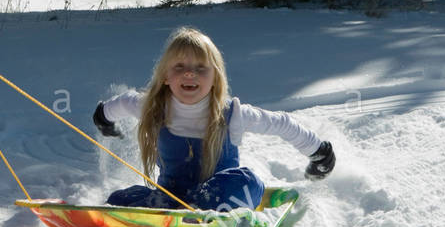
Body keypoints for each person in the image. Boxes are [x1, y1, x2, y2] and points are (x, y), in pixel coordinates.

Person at [92, 27, 334, 211]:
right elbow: (123, 102)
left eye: (200, 68)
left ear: (215, 78)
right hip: (170, 200)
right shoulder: (153, 108)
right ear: (165, 76)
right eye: (180, 66)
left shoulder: (231, 114)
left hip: (219, 200)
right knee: (117, 201)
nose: (189, 73)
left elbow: (281, 123)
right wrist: (104, 118)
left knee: (247, 183)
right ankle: (176, 215)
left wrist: (318, 152)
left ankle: (198, 215)